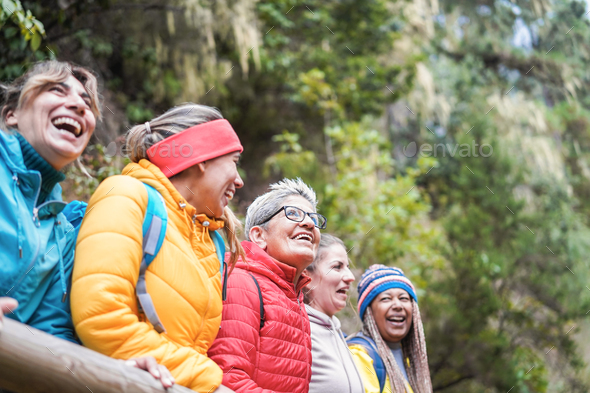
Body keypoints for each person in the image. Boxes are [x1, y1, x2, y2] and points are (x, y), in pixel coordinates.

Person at [0, 60, 174, 388]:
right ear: (12, 114)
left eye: (86, 102)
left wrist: (112, 366)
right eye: (56, 89)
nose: (79, 104)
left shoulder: (64, 228)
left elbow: (50, 336)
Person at [71, 103, 244, 393]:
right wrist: (205, 379)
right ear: (203, 157)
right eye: (234, 161)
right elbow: (101, 318)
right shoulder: (125, 195)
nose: (239, 180)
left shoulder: (209, 239)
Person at [208, 178, 325, 393]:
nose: (309, 223)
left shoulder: (293, 295)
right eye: (294, 214)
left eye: (313, 218)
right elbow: (228, 377)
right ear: (259, 236)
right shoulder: (241, 281)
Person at [348, 265, 433, 393]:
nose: (398, 305)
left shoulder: (409, 363)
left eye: (404, 298)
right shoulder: (360, 356)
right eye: (386, 298)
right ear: (368, 312)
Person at [303, 234, 364, 393]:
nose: (350, 277)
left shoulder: (337, 334)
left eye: (348, 268)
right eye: (337, 266)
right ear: (307, 277)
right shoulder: (300, 332)